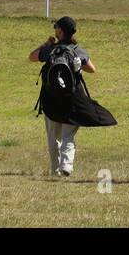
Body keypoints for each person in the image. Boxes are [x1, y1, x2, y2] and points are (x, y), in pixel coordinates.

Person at [30, 15, 100, 177]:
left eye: (55, 27)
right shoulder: (77, 50)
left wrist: (46, 44)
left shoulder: (51, 49)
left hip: (51, 99)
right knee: (68, 134)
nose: (54, 29)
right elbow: (92, 69)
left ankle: (55, 171)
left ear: (60, 31)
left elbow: (32, 57)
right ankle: (66, 165)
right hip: (72, 99)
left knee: (53, 137)